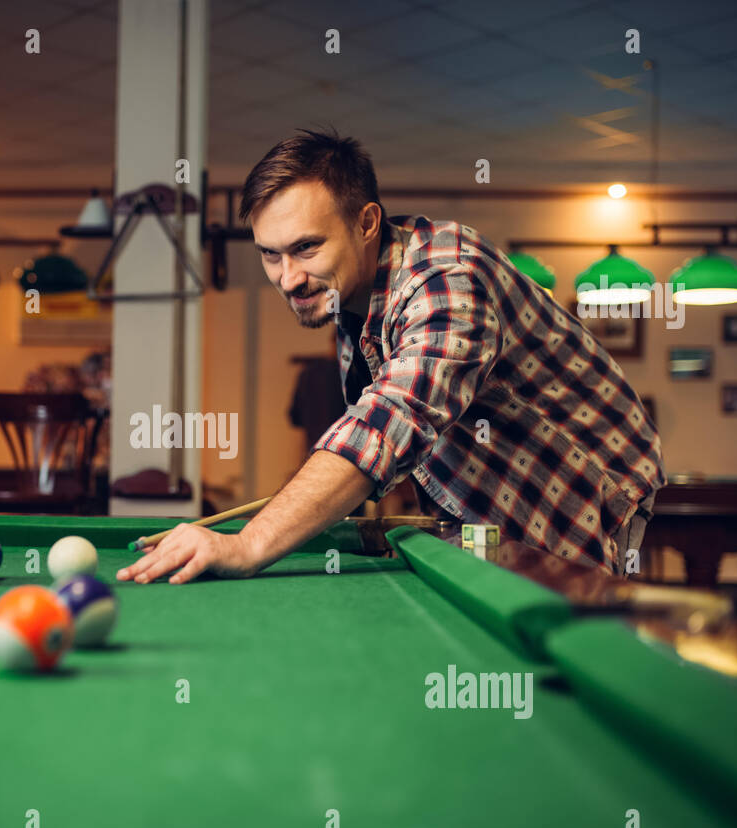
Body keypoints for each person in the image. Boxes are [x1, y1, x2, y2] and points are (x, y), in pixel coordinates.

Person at [118, 129, 664, 585]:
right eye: (270, 254)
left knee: (557, 655)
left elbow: (393, 420)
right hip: (492, 499)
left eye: (306, 247)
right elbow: (406, 440)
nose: (288, 278)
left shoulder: (448, 278)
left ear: (366, 223)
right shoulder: (349, 296)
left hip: (585, 490)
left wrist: (249, 544)